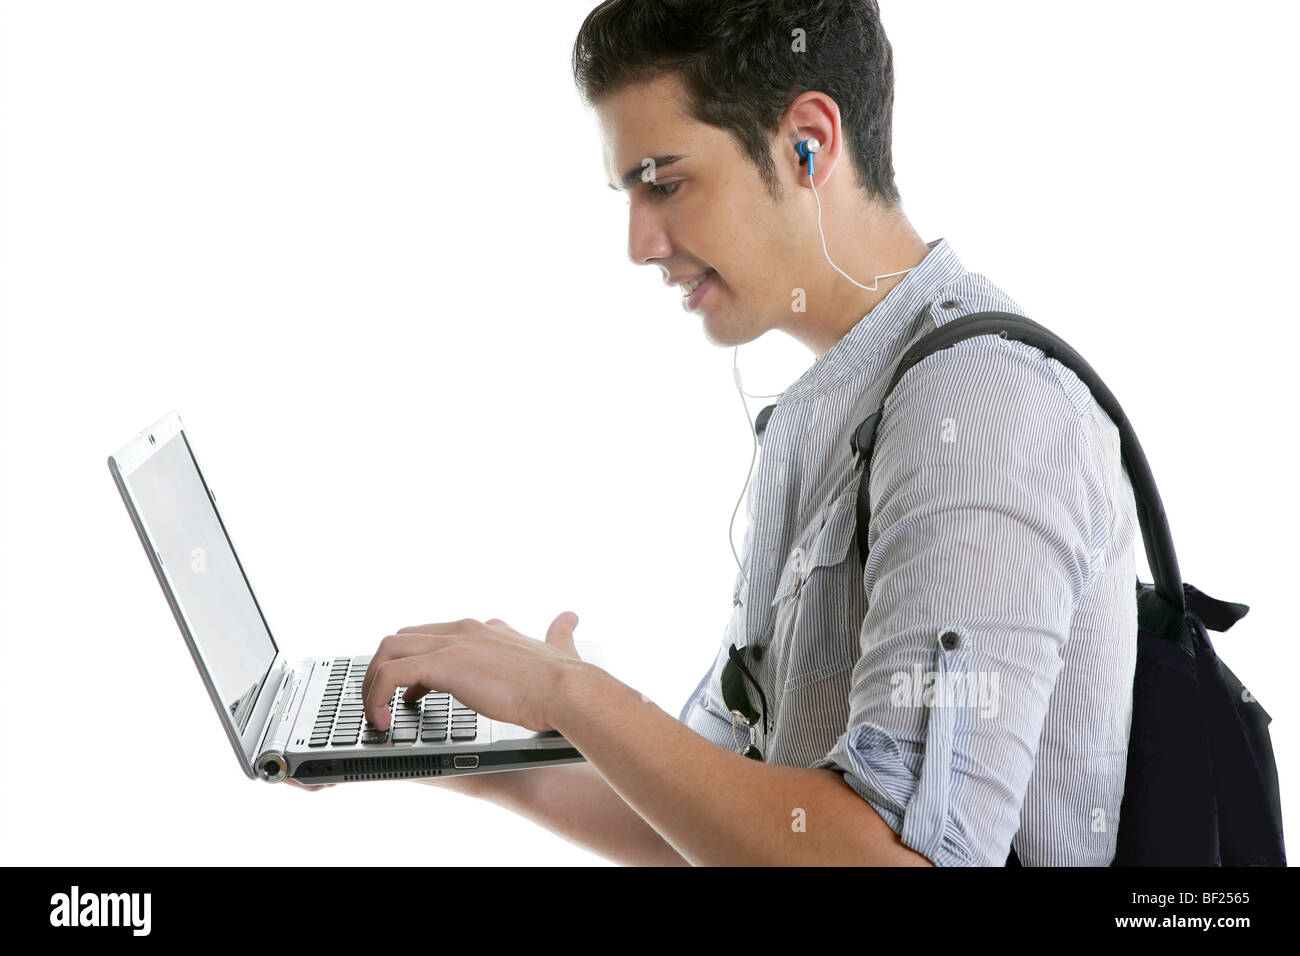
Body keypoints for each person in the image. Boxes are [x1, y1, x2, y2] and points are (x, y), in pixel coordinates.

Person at [292, 0, 1139, 868]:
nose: (639, 244)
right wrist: (460, 755)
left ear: (807, 143)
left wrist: (566, 690)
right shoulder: (831, 413)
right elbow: (737, 823)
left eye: (664, 182)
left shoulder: (984, 407)